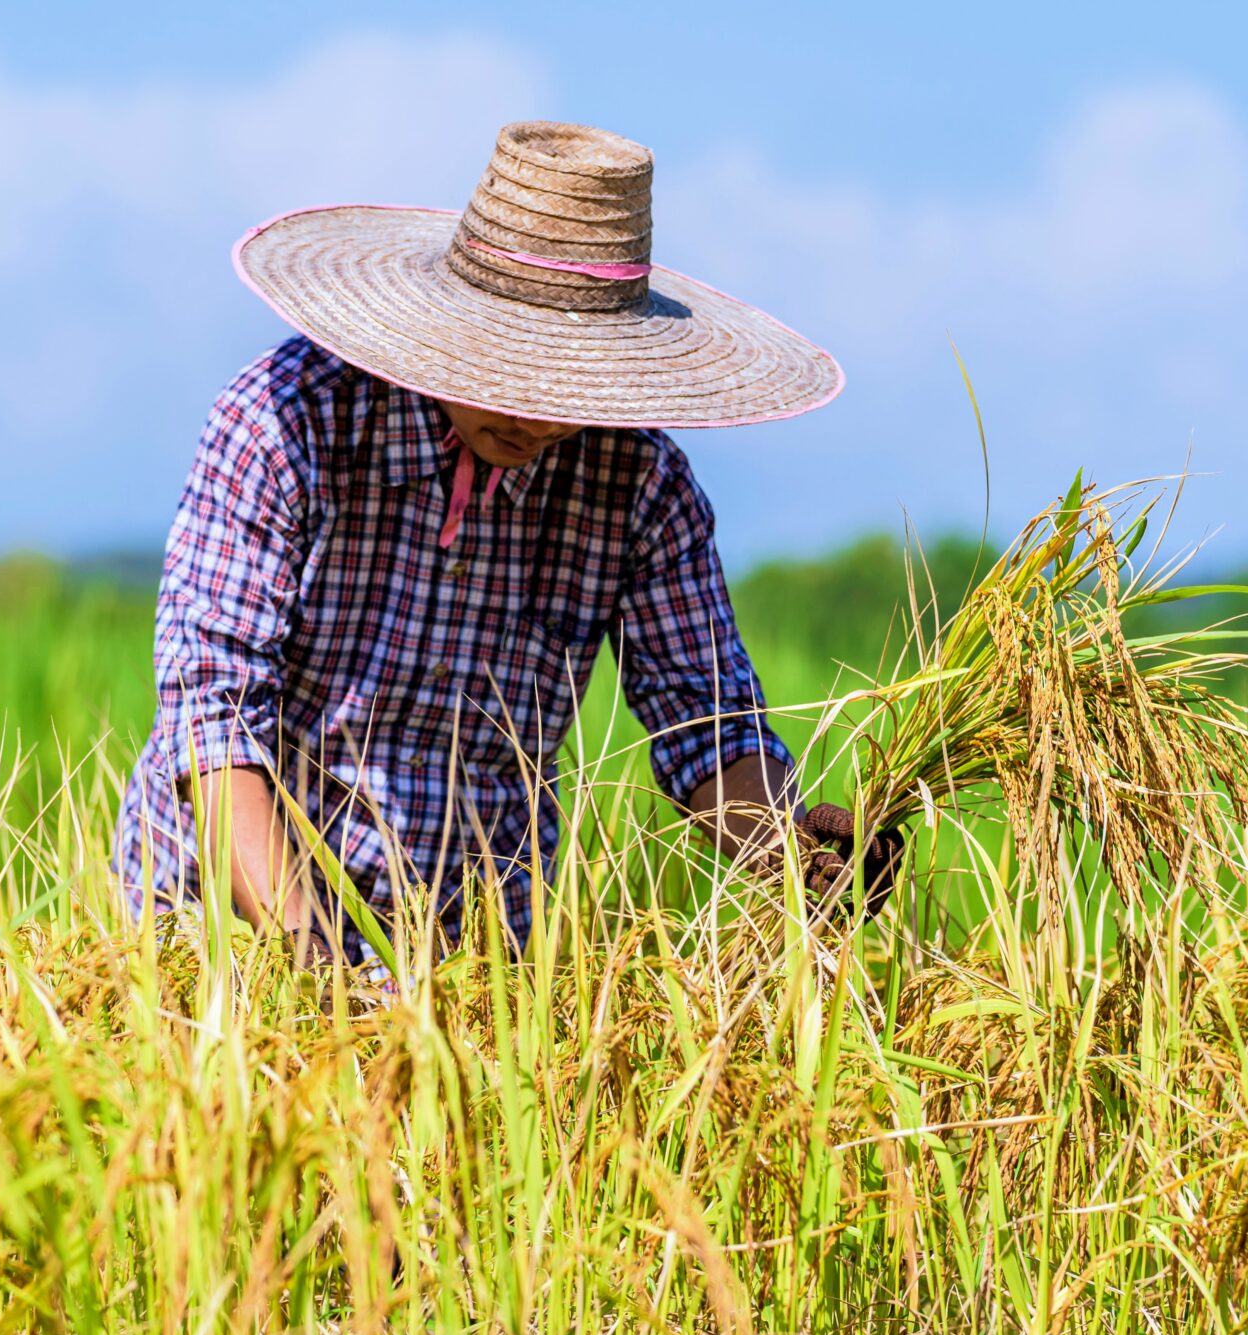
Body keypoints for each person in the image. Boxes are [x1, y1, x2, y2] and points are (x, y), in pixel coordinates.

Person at [114, 120, 898, 962]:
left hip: (475, 952)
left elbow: (704, 725)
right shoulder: (285, 422)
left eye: (564, 383)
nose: (531, 415)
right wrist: (313, 958)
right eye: (504, 371)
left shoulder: (640, 487)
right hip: (234, 929)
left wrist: (794, 852)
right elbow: (212, 720)